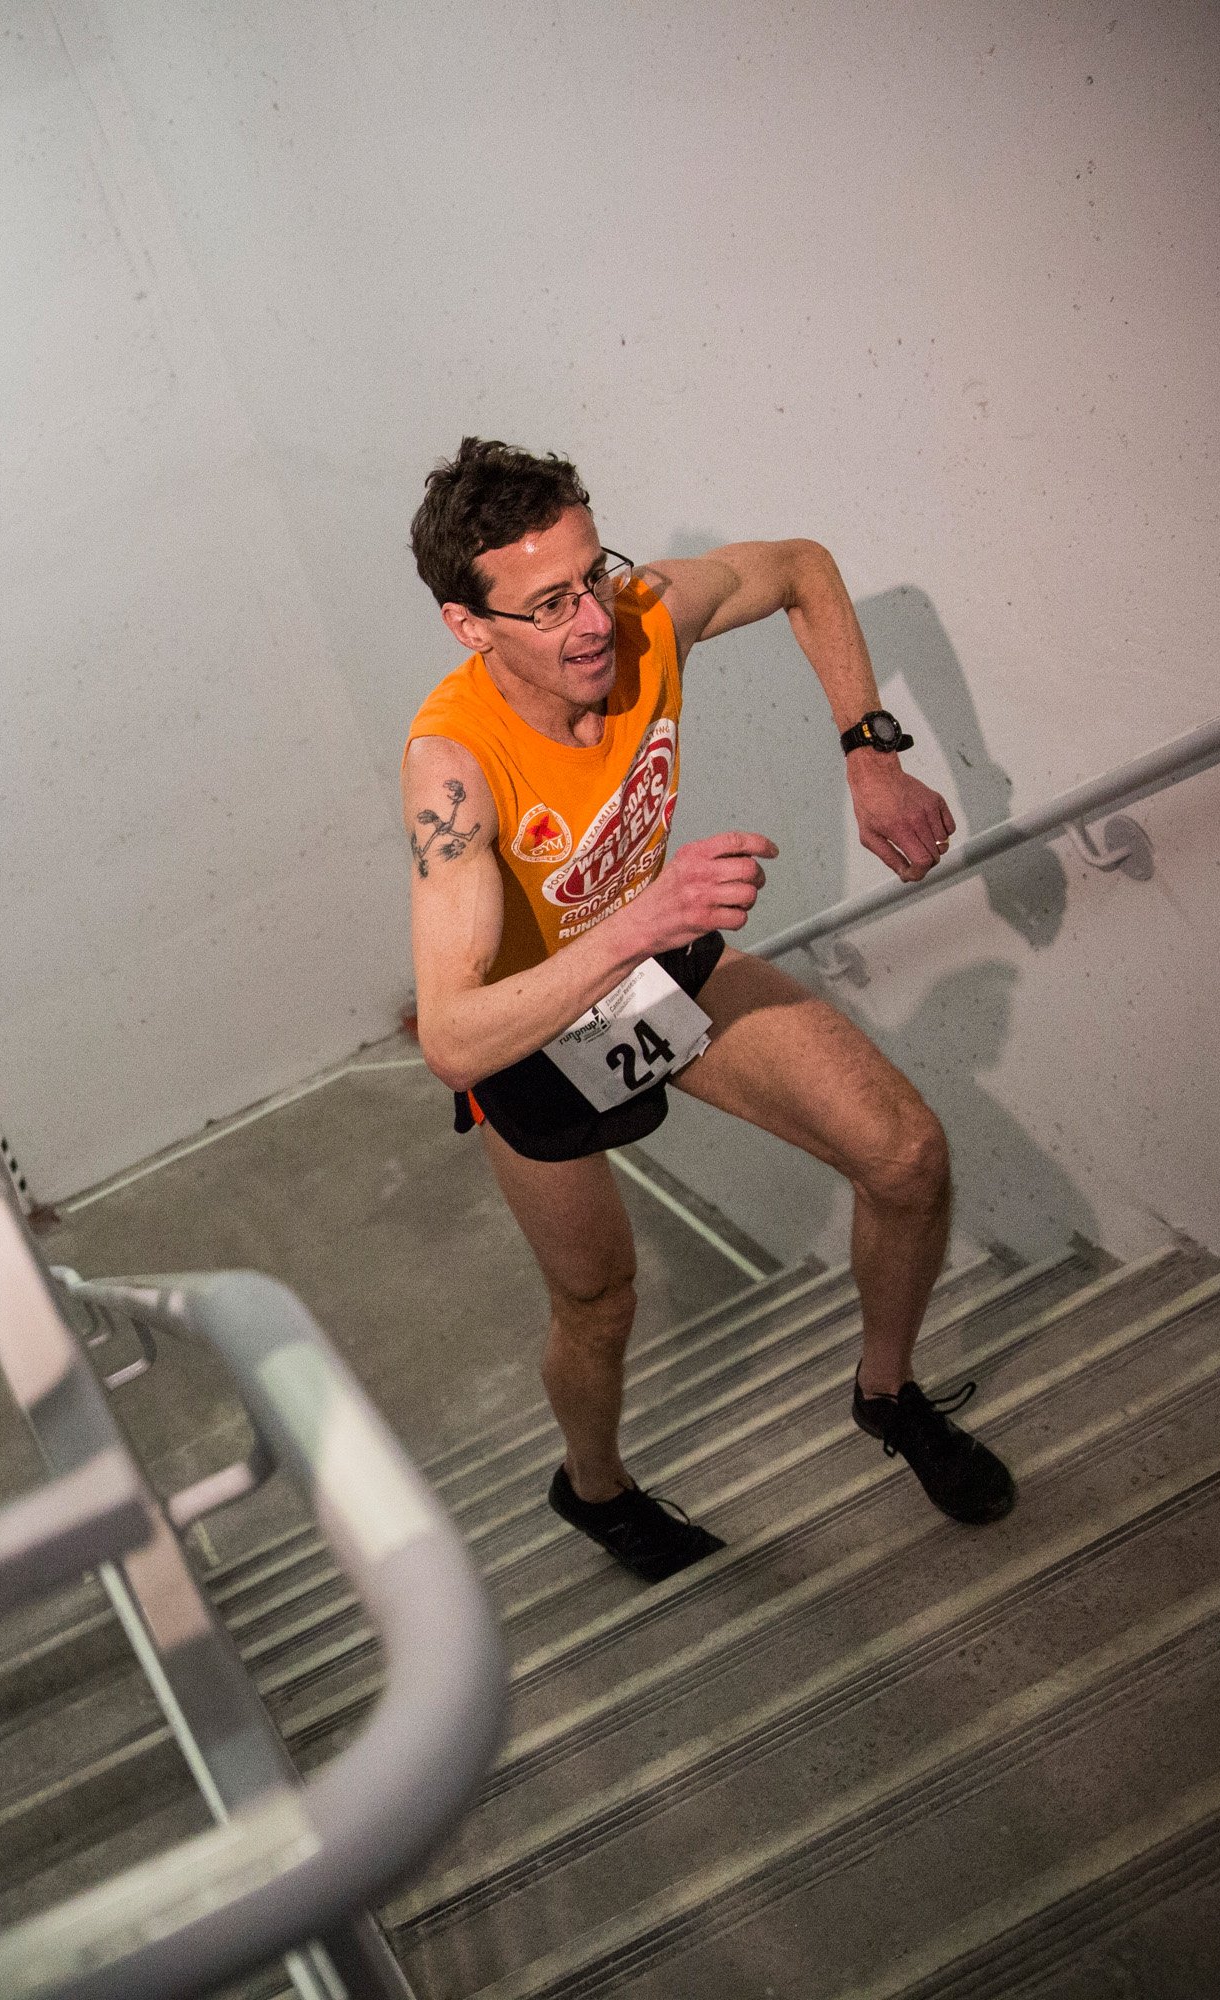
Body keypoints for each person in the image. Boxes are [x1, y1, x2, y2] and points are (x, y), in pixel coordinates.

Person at [401, 437, 1014, 1582]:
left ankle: (888, 1394)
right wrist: (636, 923)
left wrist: (870, 751)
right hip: (531, 1034)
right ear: (469, 626)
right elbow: (449, 1035)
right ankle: (594, 1486)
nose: (593, 620)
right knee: (600, 1301)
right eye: (547, 605)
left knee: (907, 1155)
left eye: (592, 573)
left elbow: (802, 567)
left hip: (655, 950)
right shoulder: (455, 769)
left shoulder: (643, 617)